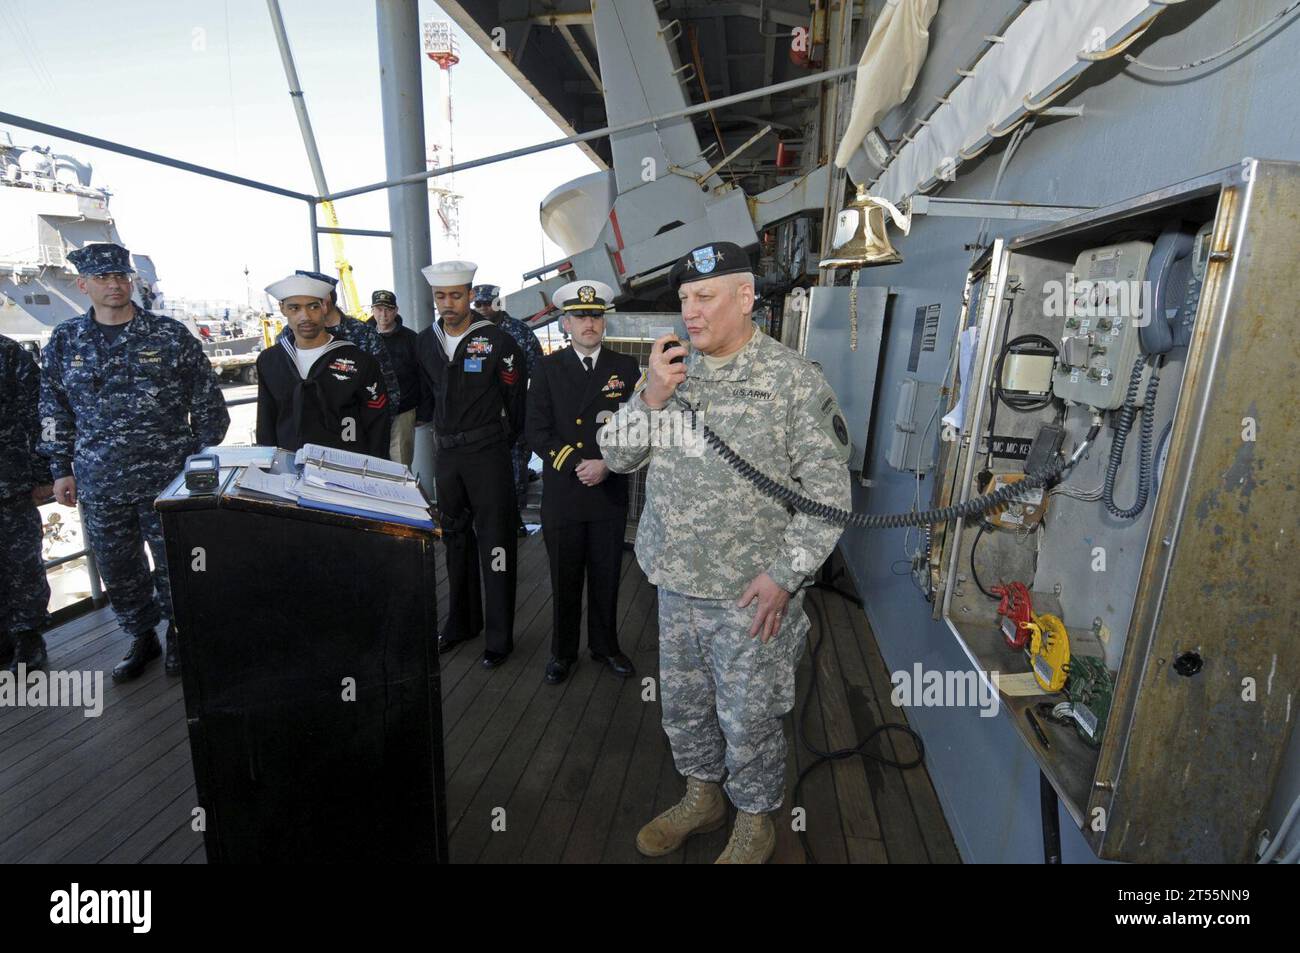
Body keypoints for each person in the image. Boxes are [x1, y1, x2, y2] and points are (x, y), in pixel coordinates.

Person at [598, 241, 852, 864]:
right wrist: (650, 396)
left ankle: (756, 818)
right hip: (674, 583)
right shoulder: (668, 374)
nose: (690, 312)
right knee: (684, 710)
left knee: (750, 719)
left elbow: (828, 498)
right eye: (684, 299)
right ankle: (702, 795)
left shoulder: (794, 381)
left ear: (745, 298)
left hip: (749, 596)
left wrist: (785, 577)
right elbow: (615, 456)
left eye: (704, 297)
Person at [39, 243, 230, 681]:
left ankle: (181, 635)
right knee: (117, 566)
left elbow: (208, 404)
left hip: (168, 478)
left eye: (121, 277)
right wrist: (60, 468)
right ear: (83, 284)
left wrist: (197, 460)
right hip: (100, 481)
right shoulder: (66, 340)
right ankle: (140, 635)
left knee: (176, 564)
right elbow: (53, 409)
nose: (114, 285)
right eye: (103, 278)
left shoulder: (169, 336)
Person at [526, 280, 639, 684]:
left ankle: (606, 646)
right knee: (566, 575)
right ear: (565, 324)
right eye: (580, 317)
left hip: (607, 488)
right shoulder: (547, 368)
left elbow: (635, 426)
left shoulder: (625, 369)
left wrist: (607, 463)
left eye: (595, 316)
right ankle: (562, 652)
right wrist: (577, 462)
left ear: (603, 321)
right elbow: (536, 430)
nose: (588, 323)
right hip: (565, 489)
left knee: (608, 573)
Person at [416, 261, 527, 669]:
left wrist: (502, 441)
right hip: (446, 456)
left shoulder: (498, 341)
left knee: (496, 543)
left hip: (487, 455)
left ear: (469, 295)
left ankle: (499, 637)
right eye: (441, 297)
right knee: (455, 539)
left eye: (456, 295)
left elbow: (517, 402)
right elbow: (427, 398)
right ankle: (461, 623)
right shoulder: (425, 343)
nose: (448, 304)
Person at [255, 274, 391, 457]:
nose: (305, 316)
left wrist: (375, 471)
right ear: (282, 309)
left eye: (313, 306)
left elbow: (377, 424)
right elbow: (265, 420)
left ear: (325, 306)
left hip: (346, 466)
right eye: (294, 308)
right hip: (288, 466)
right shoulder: (270, 361)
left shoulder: (359, 361)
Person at [276, 270, 401, 437]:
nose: (303, 312)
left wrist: (375, 434)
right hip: (302, 435)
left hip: (353, 436)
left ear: (326, 300)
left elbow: (387, 387)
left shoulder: (363, 333)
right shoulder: (287, 337)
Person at [472, 283, 543, 535]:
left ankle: (513, 519)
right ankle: (488, 520)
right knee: (483, 472)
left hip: (514, 414)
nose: (482, 309)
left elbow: (539, 372)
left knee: (515, 470)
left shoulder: (519, 332)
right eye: (478, 304)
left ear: (497, 303)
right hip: (480, 416)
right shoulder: (469, 334)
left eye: (487, 303)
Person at [0, 333, 53, 672]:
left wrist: (42, 473)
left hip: (9, 483)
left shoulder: (7, 354)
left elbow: (40, 414)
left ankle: (29, 637)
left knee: (21, 564)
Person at [372, 289, 421, 467]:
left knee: (400, 466)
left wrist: (423, 411)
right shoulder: (364, 336)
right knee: (372, 464)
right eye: (379, 309)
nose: (383, 314)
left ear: (396, 310)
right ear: (372, 310)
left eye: (388, 309)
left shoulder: (411, 339)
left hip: (403, 412)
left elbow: (422, 376)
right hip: (371, 412)